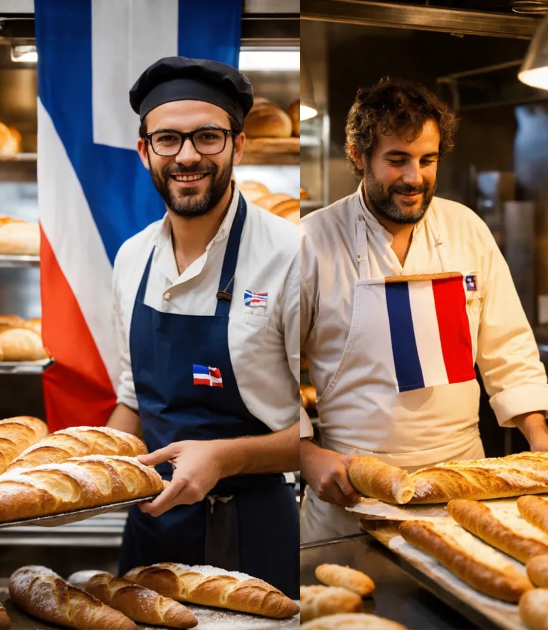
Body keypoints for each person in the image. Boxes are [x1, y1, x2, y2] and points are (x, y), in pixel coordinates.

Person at [297, 79, 548, 542]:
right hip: (351, 486)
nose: (415, 178)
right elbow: (271, 364)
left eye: (427, 160)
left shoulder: (466, 227)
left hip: (462, 483)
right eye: (397, 160)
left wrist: (538, 434)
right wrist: (308, 455)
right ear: (357, 156)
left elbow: (505, 342)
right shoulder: (311, 241)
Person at [109, 56, 303, 596]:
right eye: (167, 139)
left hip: (254, 527)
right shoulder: (131, 258)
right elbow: (133, 400)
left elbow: (326, 427)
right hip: (151, 522)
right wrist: (89, 472)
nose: (188, 155)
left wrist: (223, 457)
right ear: (145, 150)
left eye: (208, 137)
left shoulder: (292, 253)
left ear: (238, 146)